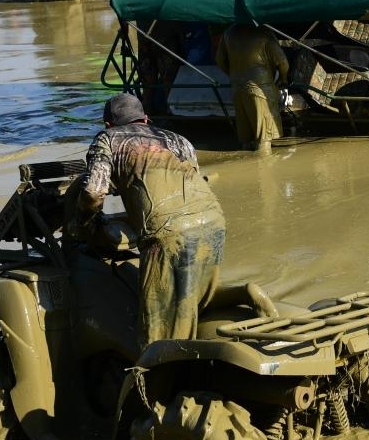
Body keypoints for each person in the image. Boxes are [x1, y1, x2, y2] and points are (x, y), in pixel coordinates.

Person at [71, 93, 269, 349]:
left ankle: (156, 379)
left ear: (109, 125)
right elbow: (192, 180)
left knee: (156, 325)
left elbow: (93, 192)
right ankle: (246, 293)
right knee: (194, 298)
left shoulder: (108, 139)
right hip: (212, 219)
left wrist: (83, 223)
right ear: (145, 118)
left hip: (168, 234)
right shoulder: (177, 139)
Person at [215, 24, 290, 151]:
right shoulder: (264, 33)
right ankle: (264, 168)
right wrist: (283, 78)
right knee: (264, 138)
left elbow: (219, 60)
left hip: (237, 87)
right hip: (260, 88)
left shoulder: (228, 33)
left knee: (246, 138)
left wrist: (234, 74)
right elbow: (282, 62)